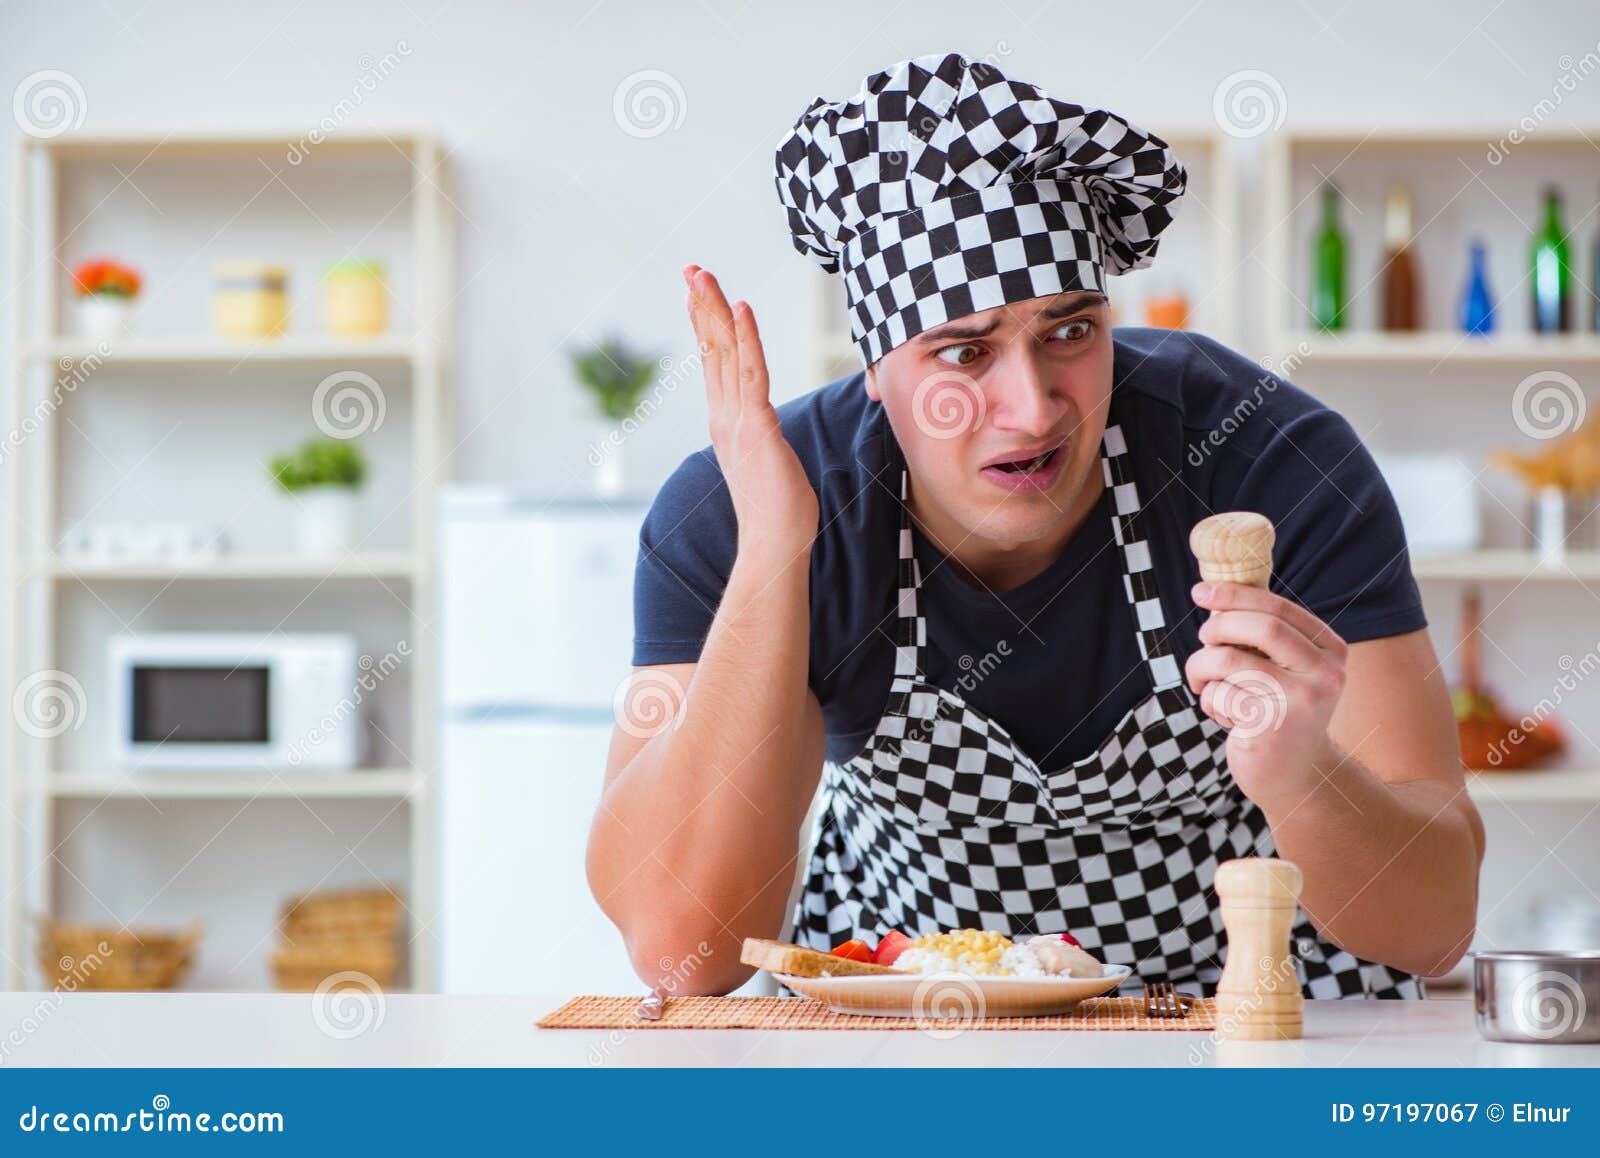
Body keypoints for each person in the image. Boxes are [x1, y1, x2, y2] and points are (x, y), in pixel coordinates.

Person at [587, 52, 1484, 998]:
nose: (1034, 408)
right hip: (901, 1011)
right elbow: (684, 952)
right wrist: (774, 551)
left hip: (1257, 1014)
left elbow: (1434, 931)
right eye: (965, 353)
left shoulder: (1266, 460)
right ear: (874, 371)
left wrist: (1302, 771)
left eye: (1069, 332)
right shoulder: (748, 501)